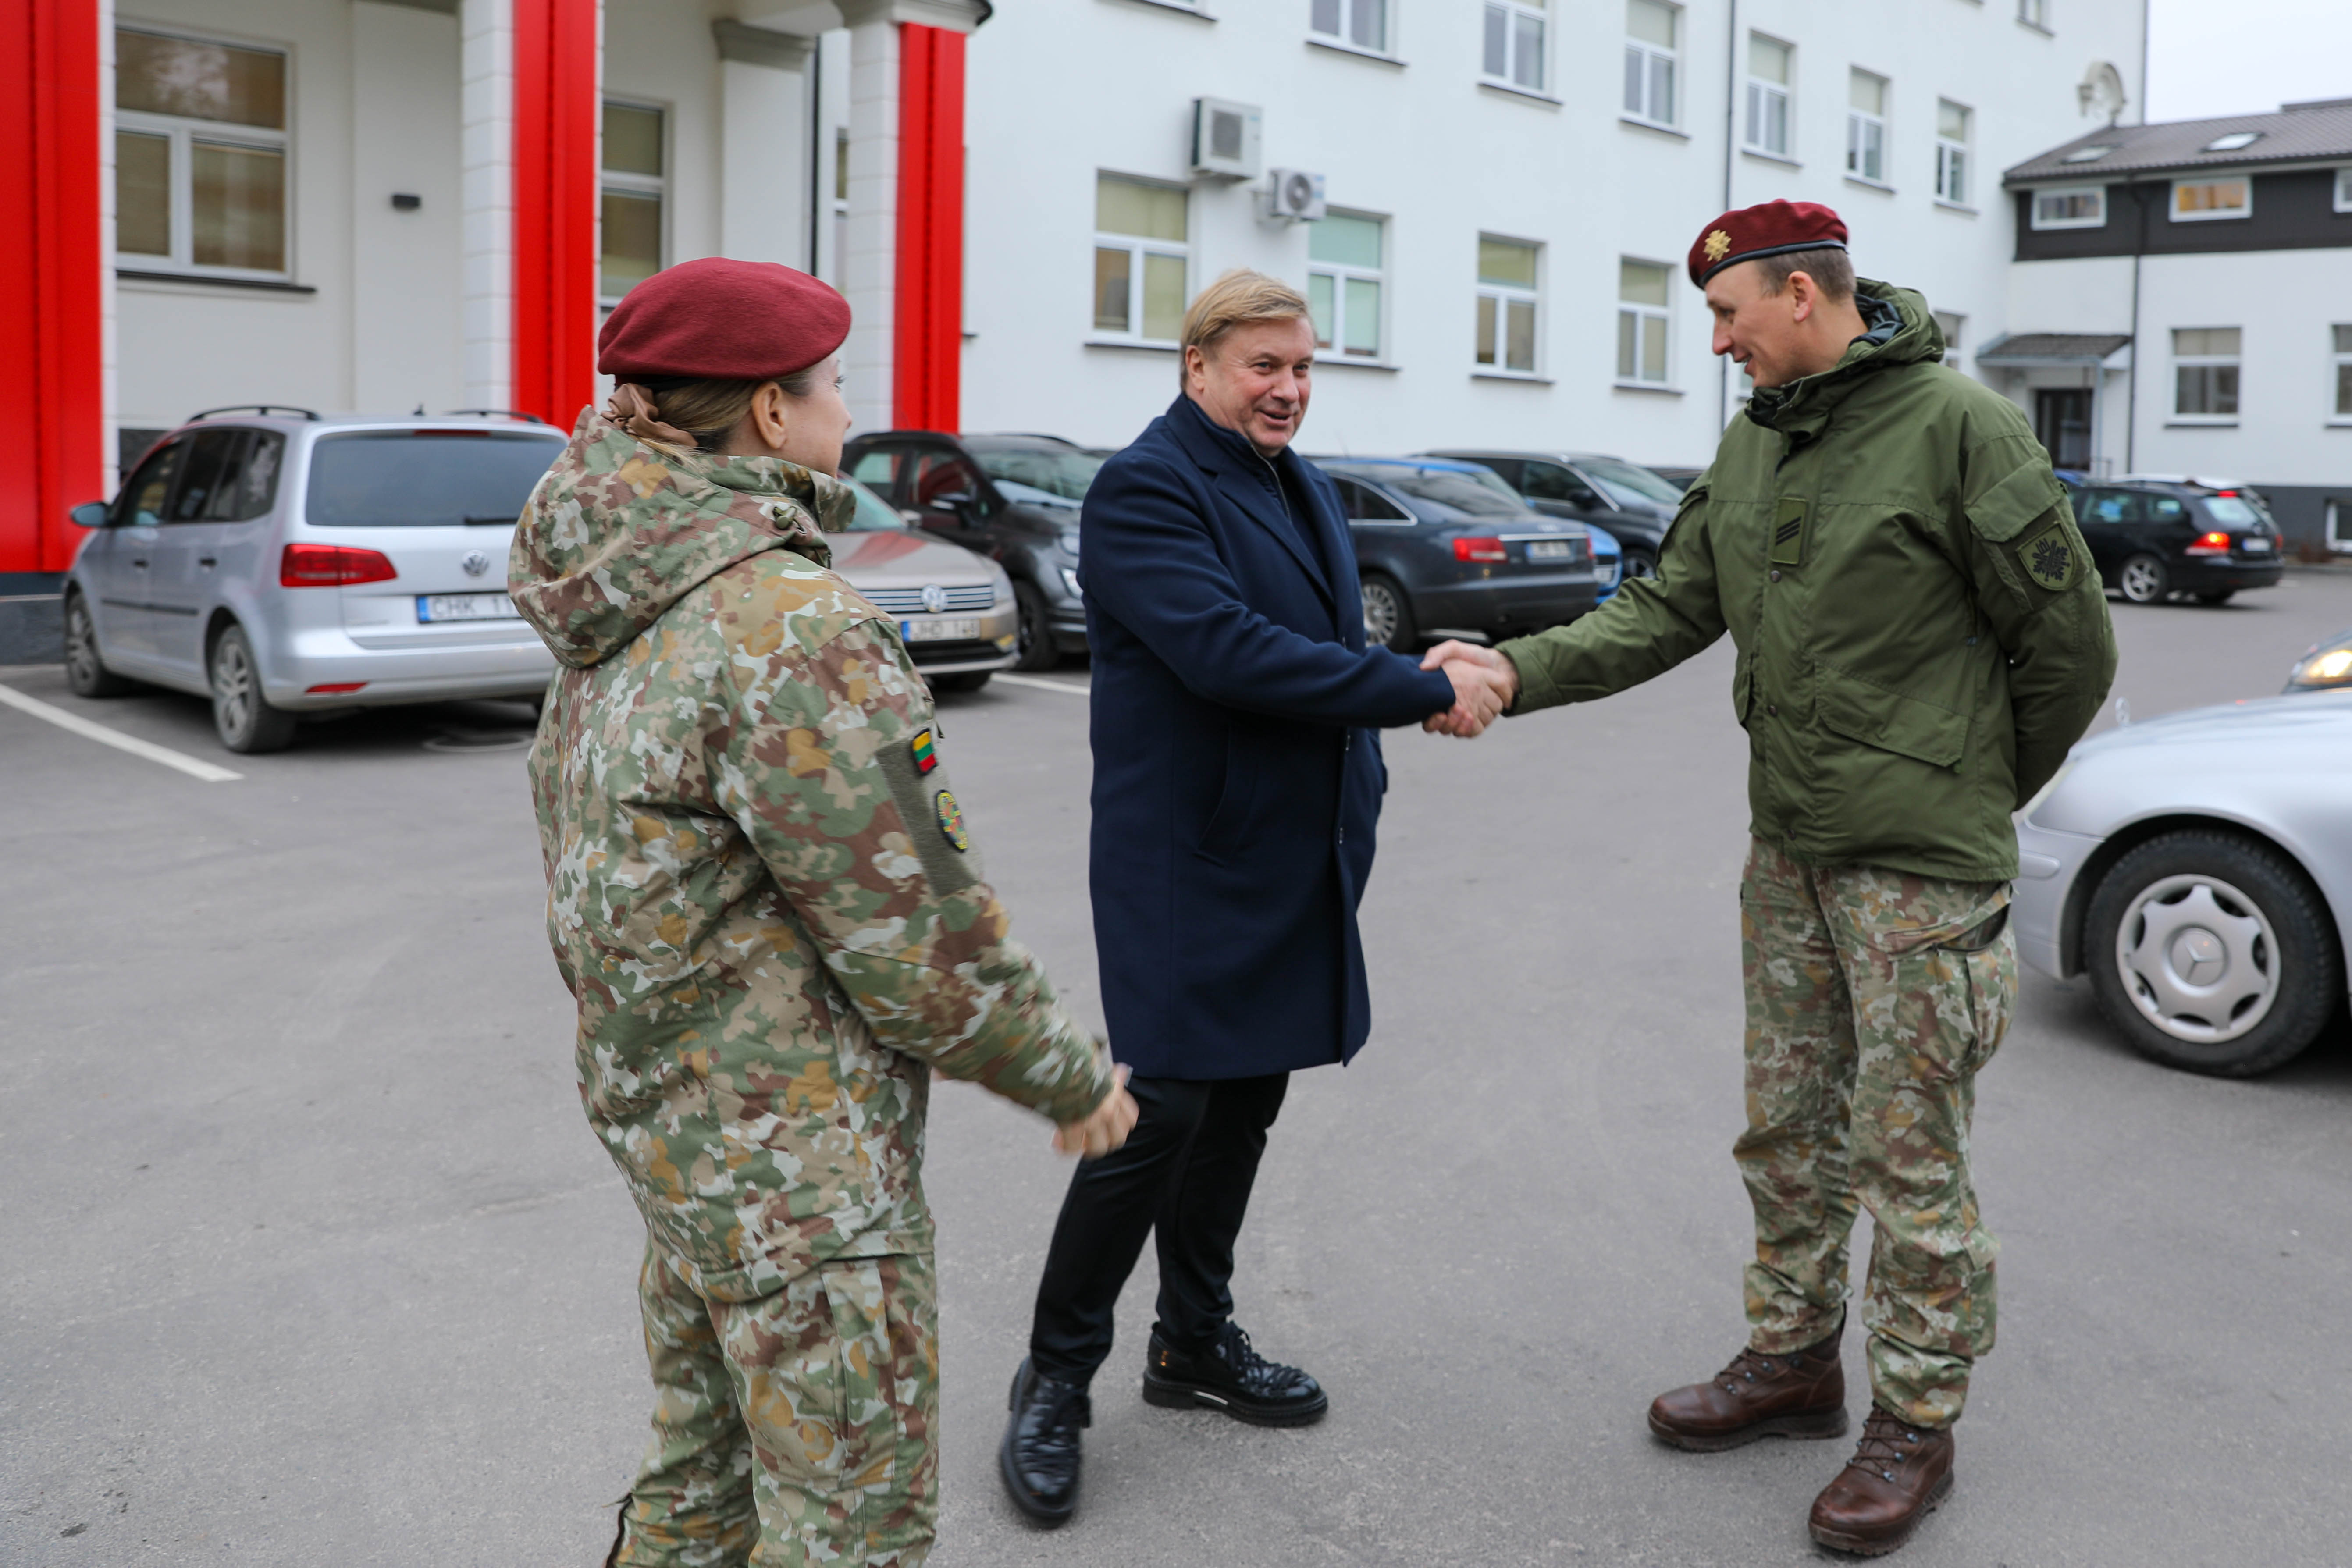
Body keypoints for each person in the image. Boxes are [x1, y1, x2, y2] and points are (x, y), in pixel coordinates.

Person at [1425, 203, 2117, 1557]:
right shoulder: (1758, 440)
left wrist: (1967, 788)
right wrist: (1515, 671)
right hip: (1790, 852)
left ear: (1804, 294)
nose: (1720, 342)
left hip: (1917, 869)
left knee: (1908, 1152)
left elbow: (2071, 648)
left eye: (1731, 315)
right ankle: (1795, 1360)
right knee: (1787, 1126)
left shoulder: (1962, 427)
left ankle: (1918, 1419)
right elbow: (1667, 605)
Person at [508, 256, 1138, 1568]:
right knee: (847, 1525)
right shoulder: (788, 623)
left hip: (681, 1141)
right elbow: (916, 929)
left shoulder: (622, 585)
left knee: (699, 1486)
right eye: (836, 385)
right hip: (806, 1189)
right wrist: (1068, 1075)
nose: (851, 411)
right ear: (772, 416)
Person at [997, 270, 1503, 1525]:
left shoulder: (1303, 484)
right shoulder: (1146, 487)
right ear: (1198, 367)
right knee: (1157, 1107)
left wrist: (1403, 687)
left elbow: (1319, 642)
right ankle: (1055, 1379)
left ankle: (1193, 1343)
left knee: (1245, 1105)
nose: (1287, 388)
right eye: (1263, 365)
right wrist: (1419, 689)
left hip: (1292, 851)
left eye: (1303, 367)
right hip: (1189, 860)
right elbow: (1225, 649)